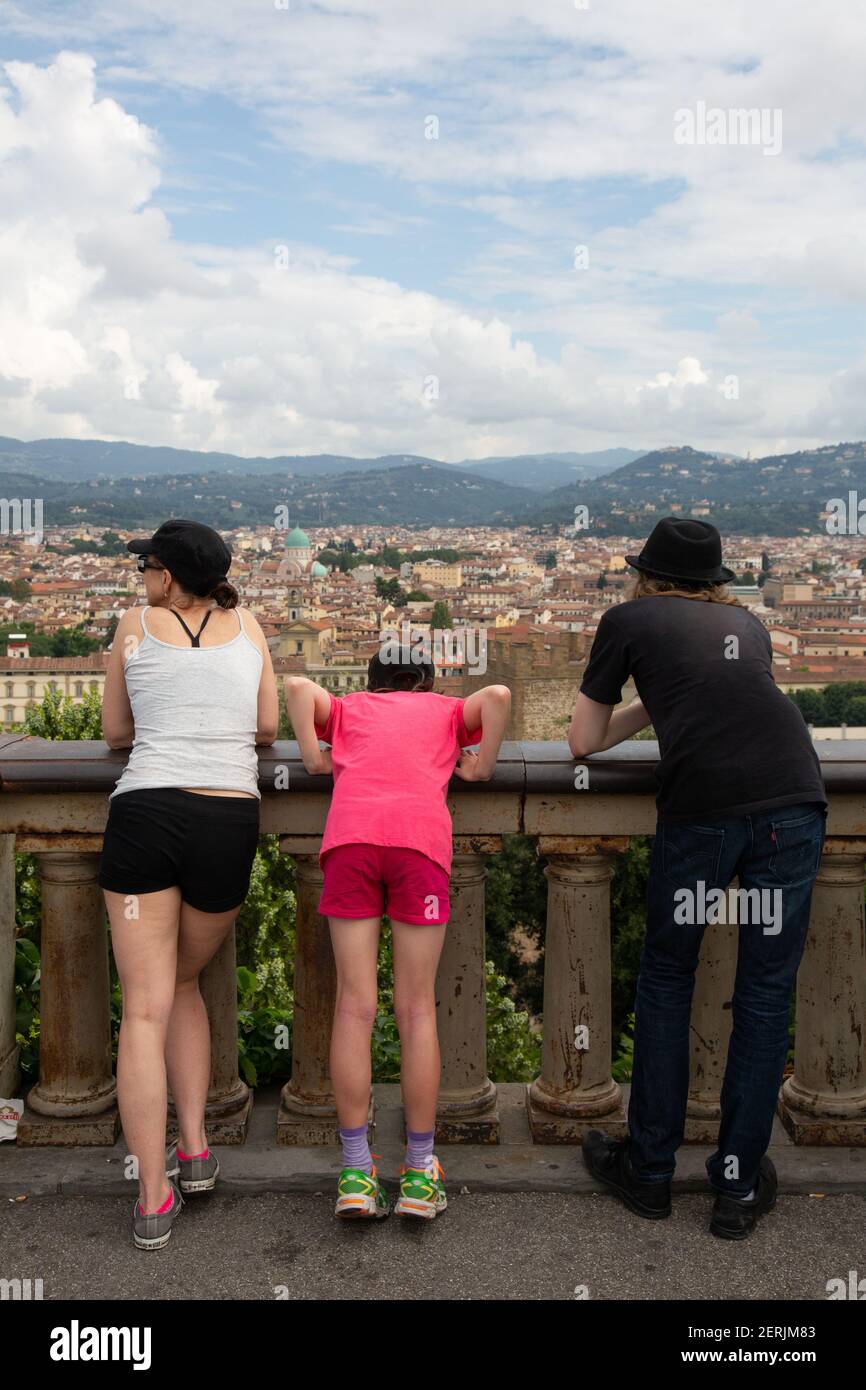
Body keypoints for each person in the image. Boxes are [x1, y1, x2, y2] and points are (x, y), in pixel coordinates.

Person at [568, 517, 827, 1240]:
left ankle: (649, 1170)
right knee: (766, 994)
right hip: (794, 807)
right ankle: (738, 1187)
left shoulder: (627, 619)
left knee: (667, 978)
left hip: (705, 815)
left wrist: (652, 695)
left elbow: (584, 741)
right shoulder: (748, 625)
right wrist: (668, 693)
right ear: (716, 582)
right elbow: (726, 700)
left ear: (646, 574)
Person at [100, 519, 278, 1250]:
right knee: (182, 984)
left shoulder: (133, 624)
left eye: (148, 567)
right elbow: (267, 727)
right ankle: (197, 1152)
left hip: (145, 812)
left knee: (144, 1007)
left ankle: (151, 1197)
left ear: (165, 578)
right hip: (226, 820)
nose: (143, 577)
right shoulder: (251, 626)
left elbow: (116, 732)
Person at [285, 653, 510, 1220]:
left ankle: (357, 1173)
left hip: (352, 842)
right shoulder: (444, 710)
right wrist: (480, 768)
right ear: (428, 684)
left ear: (371, 684)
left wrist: (315, 758)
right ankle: (418, 1172)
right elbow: (500, 697)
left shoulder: (351, 710)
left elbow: (296, 685)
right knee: (416, 1011)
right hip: (418, 847)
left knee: (354, 1009)